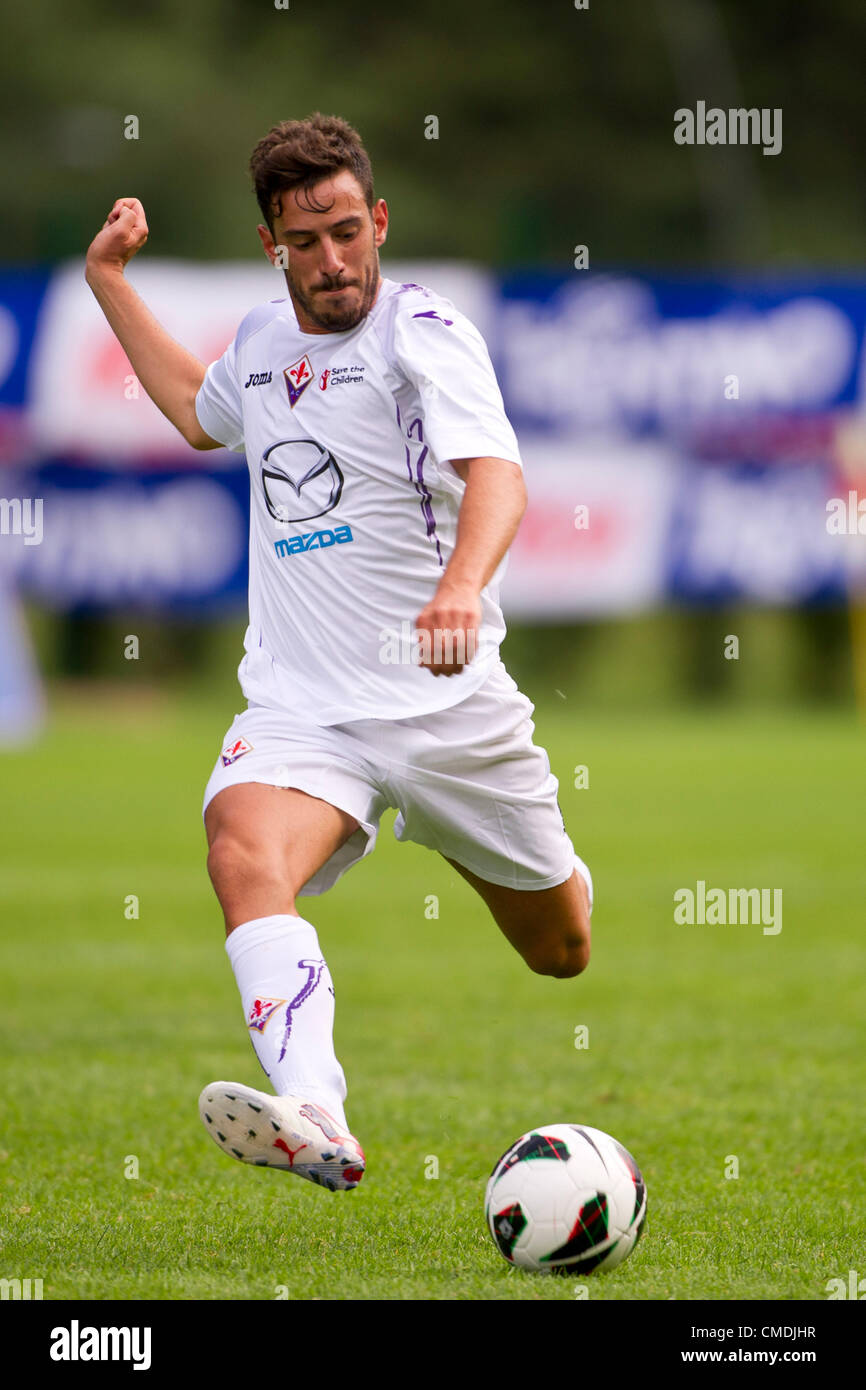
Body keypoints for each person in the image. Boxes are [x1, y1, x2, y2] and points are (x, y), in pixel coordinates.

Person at [85, 113, 592, 1193]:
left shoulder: (424, 331)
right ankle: (316, 1108)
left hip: (450, 711)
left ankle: (482, 836)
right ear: (272, 243)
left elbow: (495, 475)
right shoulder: (260, 347)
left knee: (560, 948)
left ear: (379, 221)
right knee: (238, 847)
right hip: (305, 711)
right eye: (304, 241)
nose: (330, 261)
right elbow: (192, 411)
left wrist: (459, 587)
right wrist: (109, 281)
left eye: (347, 233)